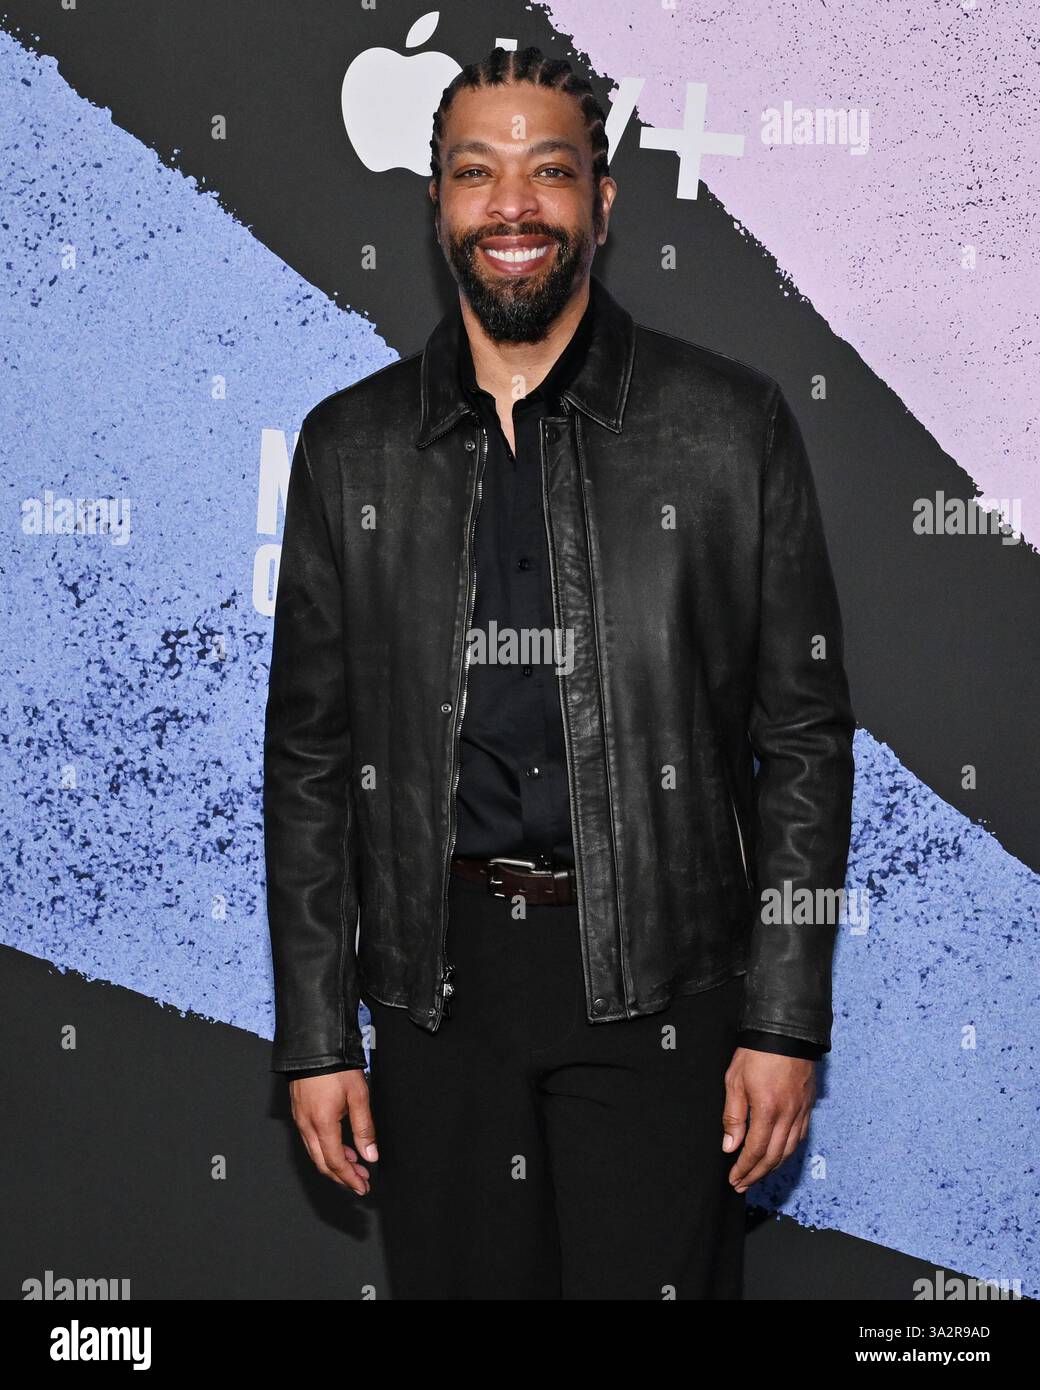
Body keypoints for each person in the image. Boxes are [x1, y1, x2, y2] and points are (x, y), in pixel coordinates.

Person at [263, 45, 855, 1300]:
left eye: (548, 171)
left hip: (664, 984)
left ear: (601, 201)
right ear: (435, 203)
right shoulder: (351, 448)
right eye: (477, 173)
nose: (512, 205)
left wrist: (782, 1017)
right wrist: (319, 1036)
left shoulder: (724, 427)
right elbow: (309, 762)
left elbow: (803, 738)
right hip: (439, 998)